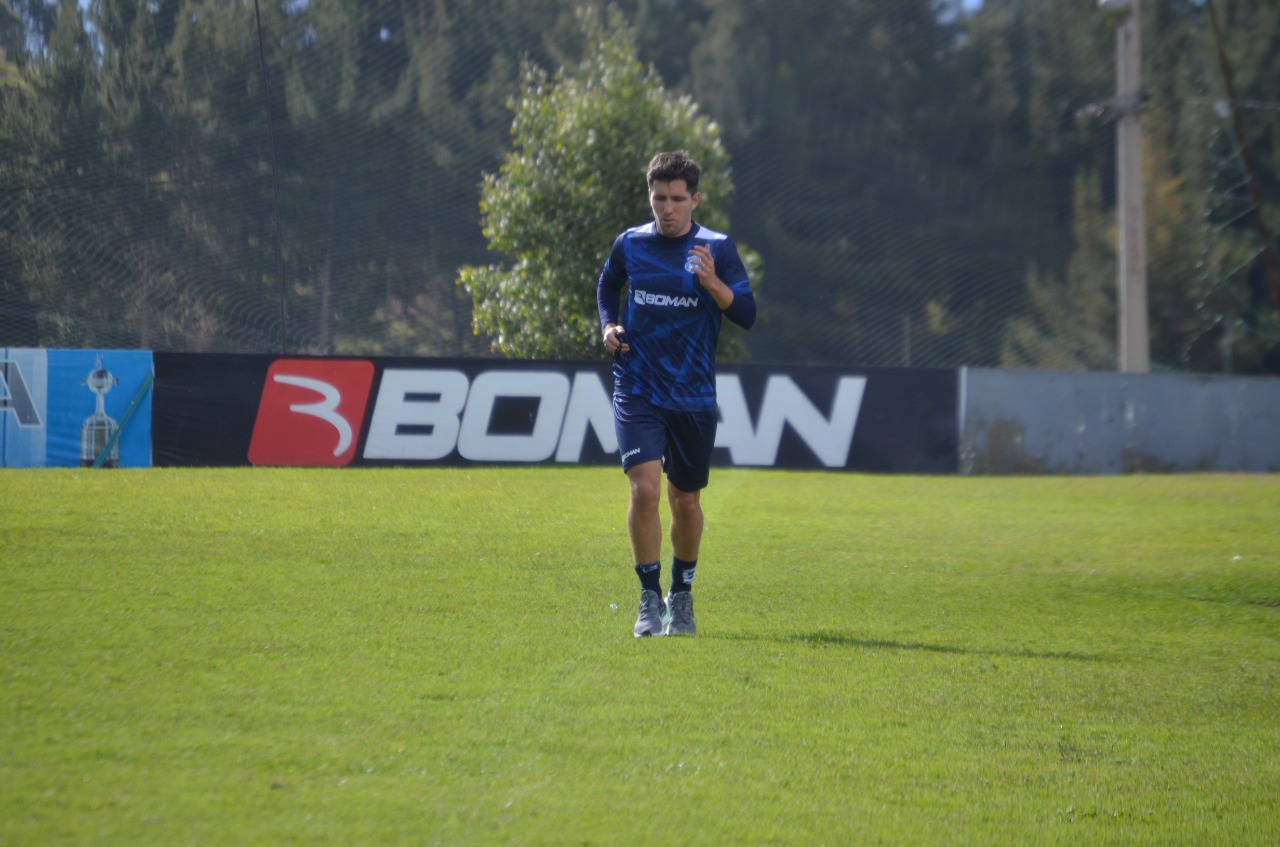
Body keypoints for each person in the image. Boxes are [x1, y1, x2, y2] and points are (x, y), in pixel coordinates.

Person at [596, 151, 757, 637]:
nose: (667, 208)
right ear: (650, 196)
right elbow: (608, 286)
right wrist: (609, 325)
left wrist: (712, 283)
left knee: (684, 501)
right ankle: (648, 599)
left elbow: (746, 313)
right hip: (638, 384)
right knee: (644, 489)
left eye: (677, 199)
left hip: (692, 396)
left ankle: (680, 596)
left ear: (695, 200)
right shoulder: (631, 244)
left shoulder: (718, 248)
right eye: (659, 198)